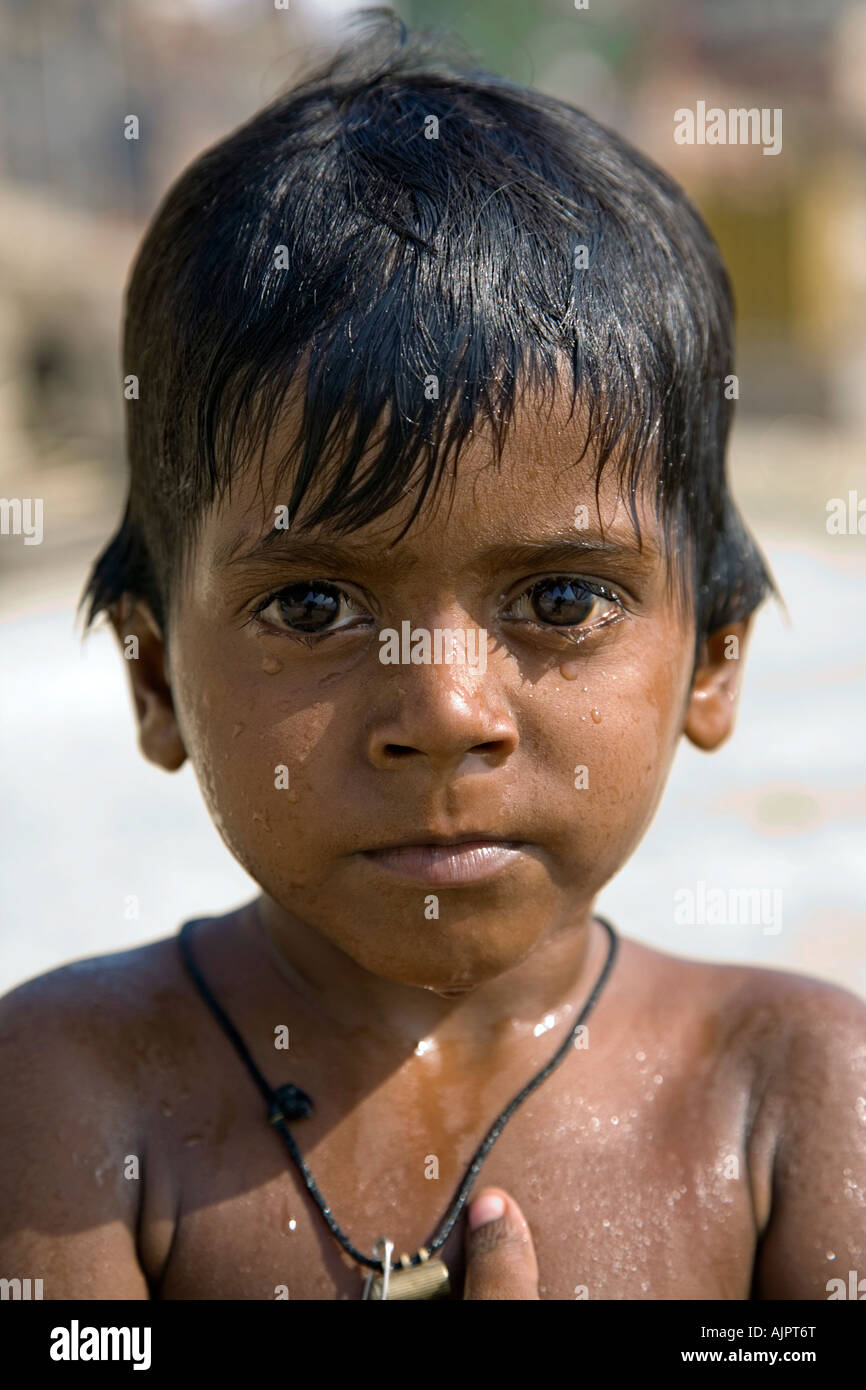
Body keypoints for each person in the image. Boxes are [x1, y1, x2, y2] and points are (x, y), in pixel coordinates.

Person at [1, 9, 863, 1301]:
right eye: (311, 608)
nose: (447, 710)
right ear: (153, 674)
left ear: (713, 657)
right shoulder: (69, 1106)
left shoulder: (793, 1103)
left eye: (561, 597)